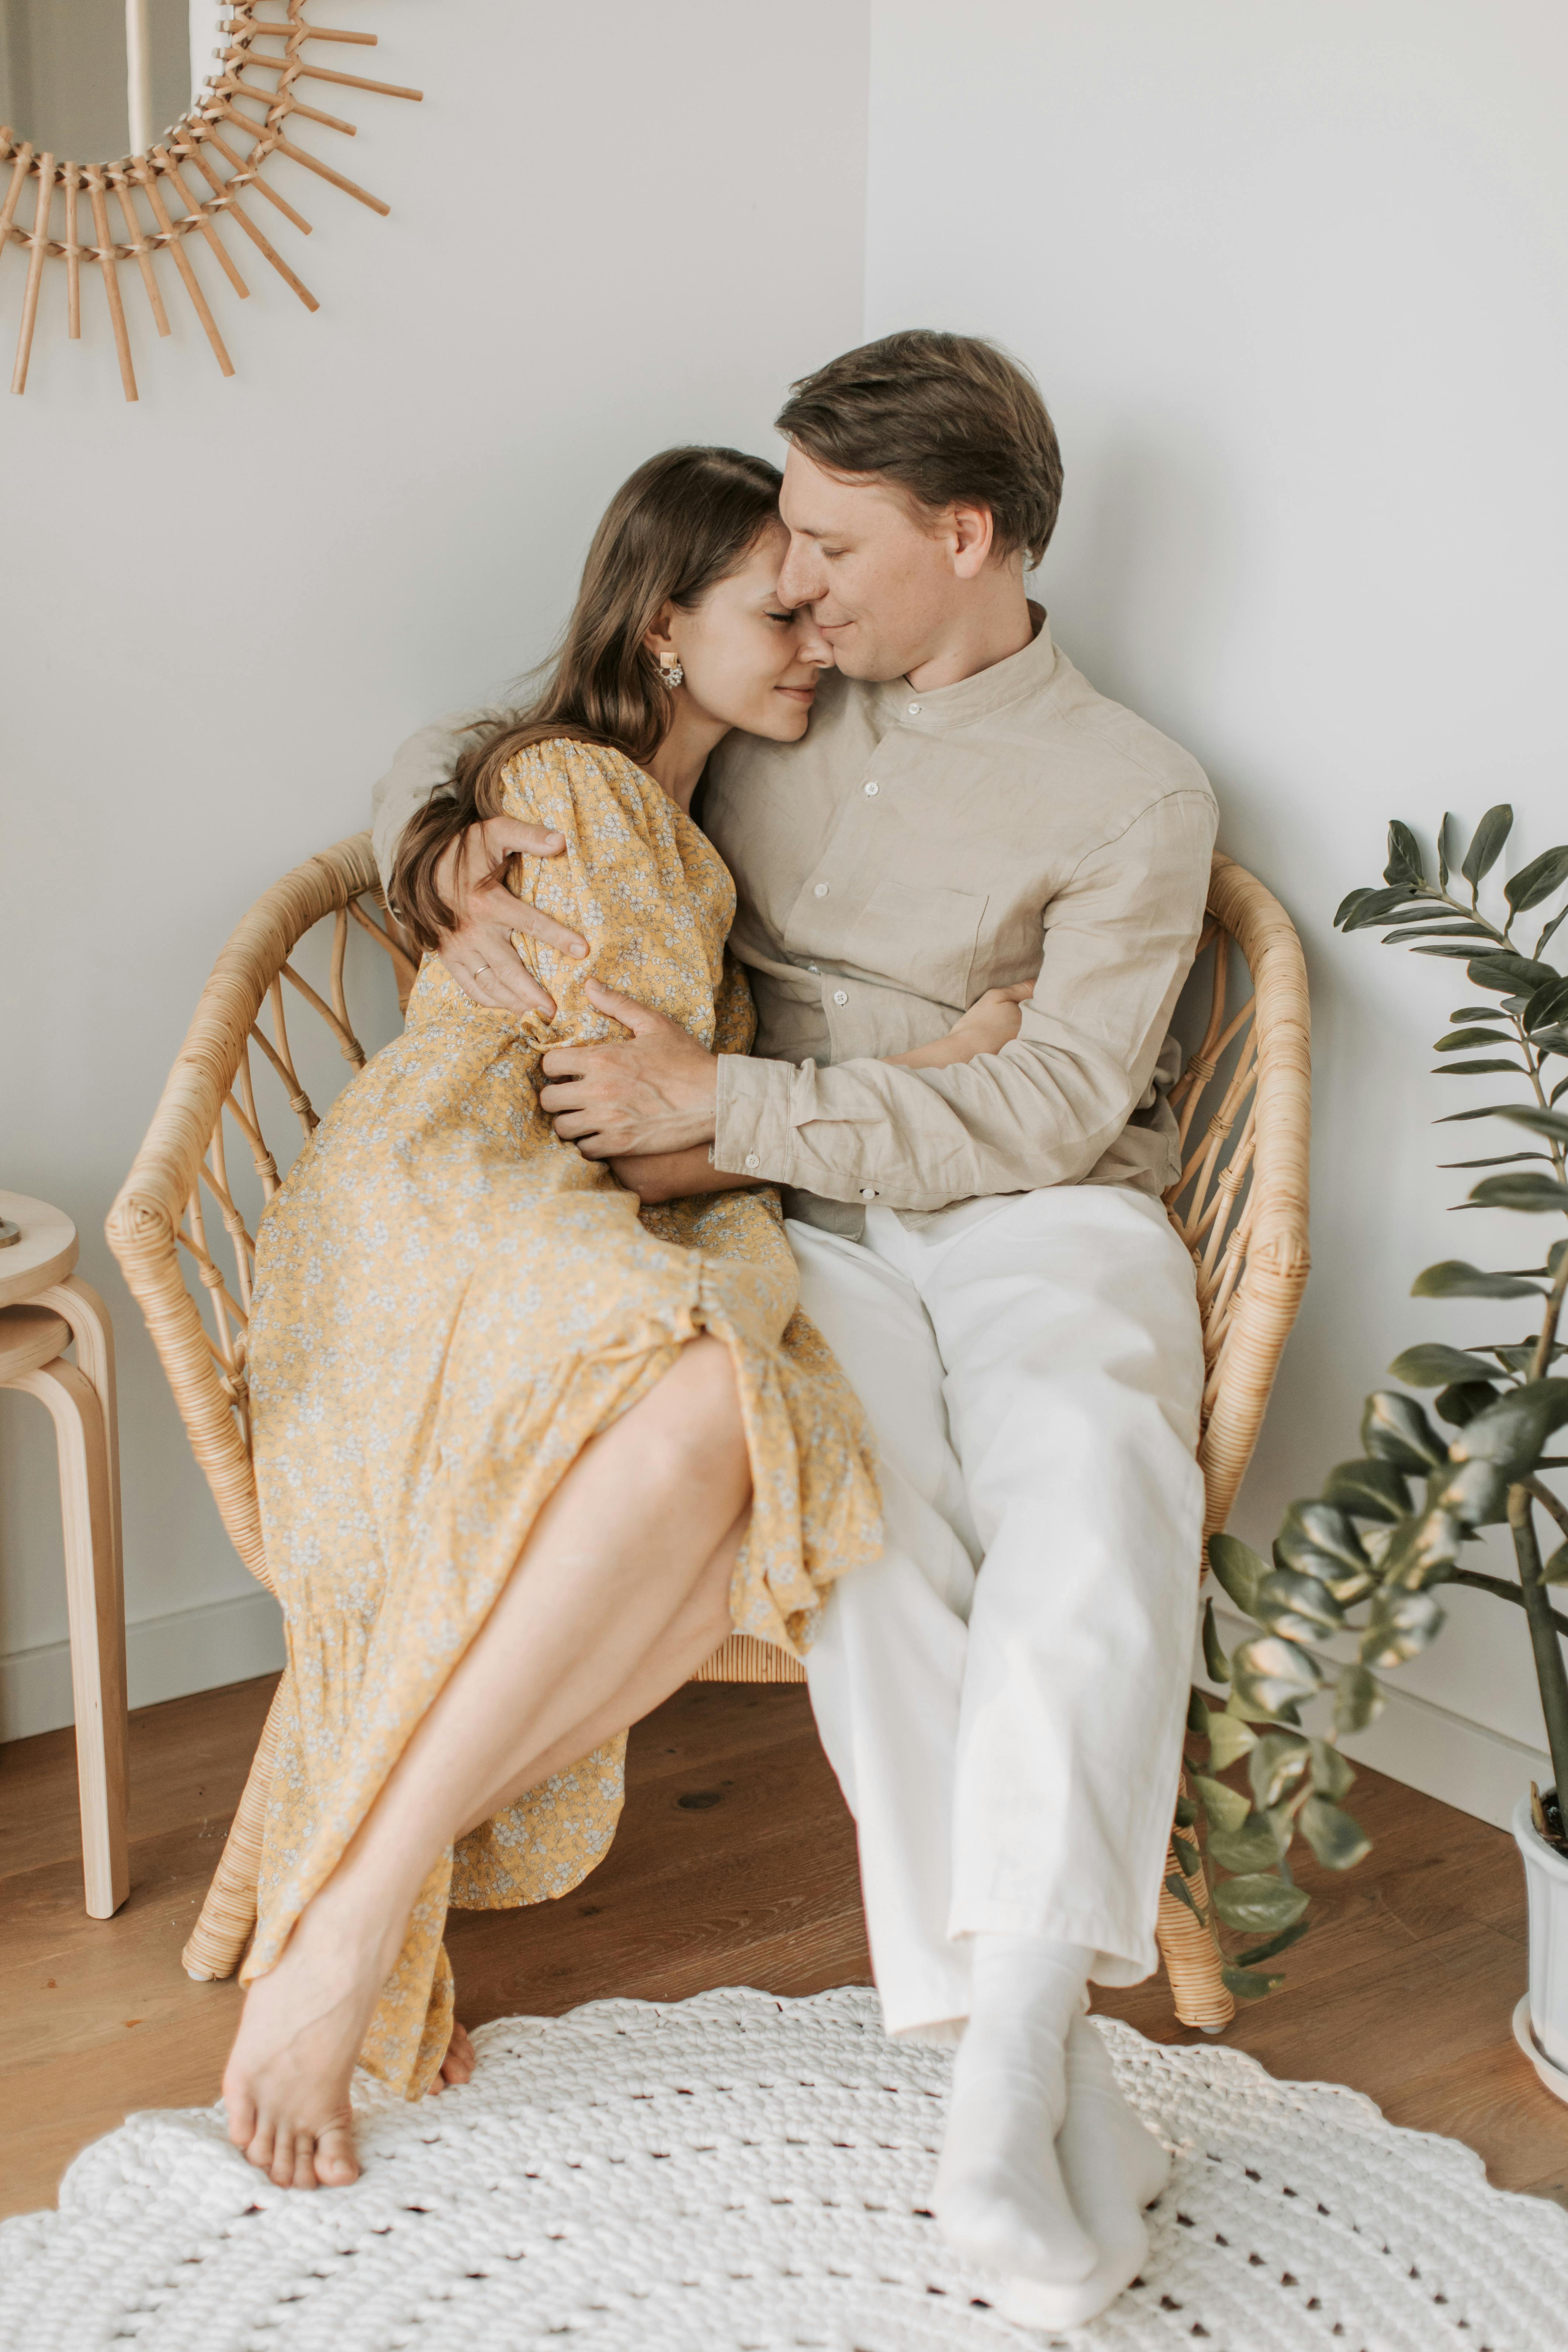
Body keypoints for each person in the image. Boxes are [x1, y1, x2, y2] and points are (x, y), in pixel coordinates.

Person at [372, 333, 1218, 2332]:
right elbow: (547, 746)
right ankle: (1021, 2057)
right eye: (789, 544)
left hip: (1034, 1211)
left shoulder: (1133, 789)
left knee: (1095, 1485)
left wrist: (723, 1104)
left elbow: (1046, 1101)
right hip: (792, 1223)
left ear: (964, 531)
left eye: (834, 542)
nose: (801, 580)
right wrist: (442, 854)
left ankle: (999, 2063)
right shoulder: (763, 697)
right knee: (875, 1539)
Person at [222, 443, 1032, 2204]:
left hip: (579, 1193)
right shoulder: (560, 790)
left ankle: (356, 1897)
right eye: (774, 606)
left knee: (732, 1427)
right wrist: (443, 844)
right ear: (663, 624)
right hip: (451, 1180)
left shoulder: (695, 817)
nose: (813, 632)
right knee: (719, 1363)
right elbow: (615, 1105)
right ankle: (362, 1912)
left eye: (823, 597)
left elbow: (668, 1113)